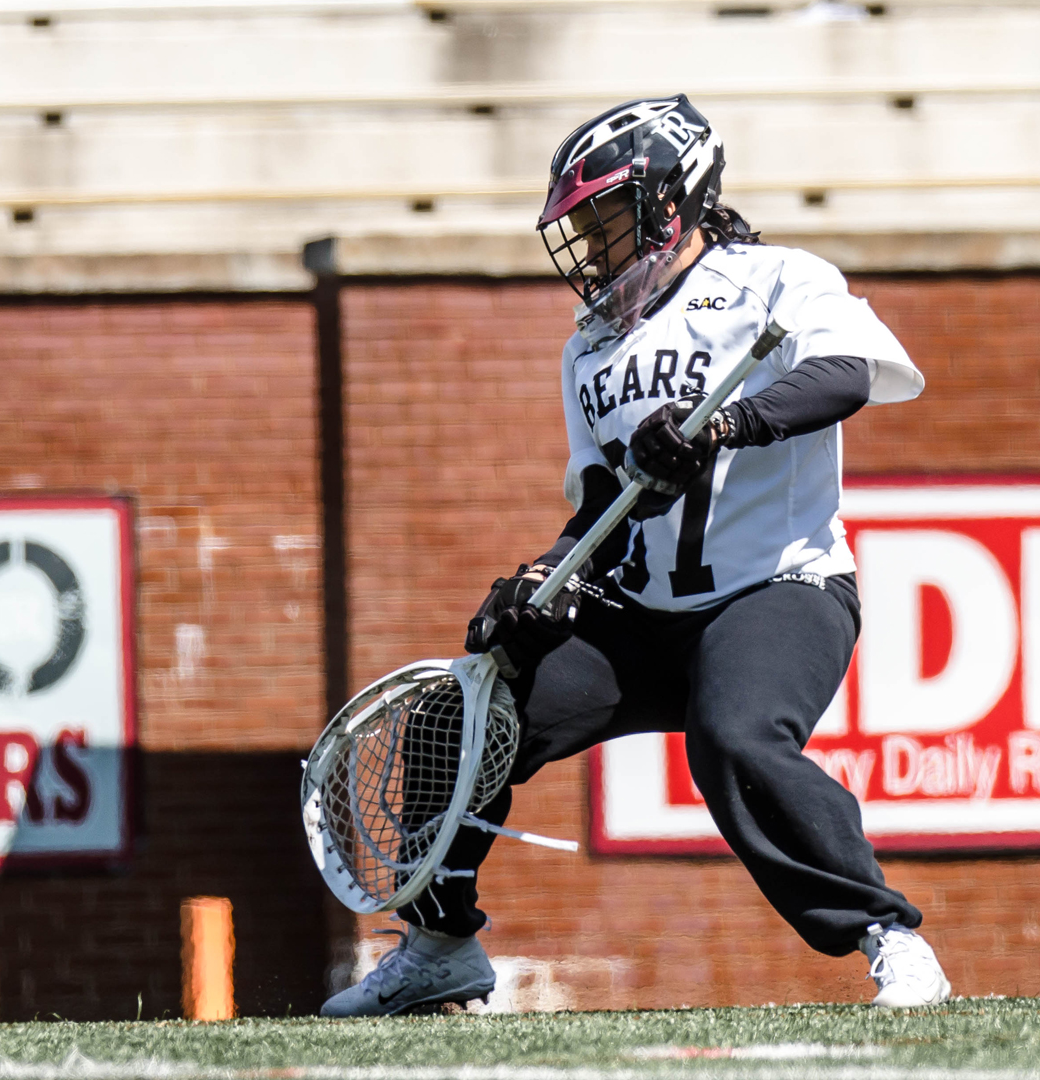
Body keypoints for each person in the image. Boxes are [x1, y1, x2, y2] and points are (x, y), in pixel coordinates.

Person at [321, 94, 949, 1018]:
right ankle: (442, 944)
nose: (592, 246)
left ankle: (888, 936)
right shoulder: (589, 352)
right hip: (640, 610)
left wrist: (728, 423)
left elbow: (848, 373)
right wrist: (542, 578)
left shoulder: (775, 280)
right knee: (455, 718)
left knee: (733, 740)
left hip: (776, 586)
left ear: (671, 201)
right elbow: (602, 508)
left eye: (607, 219)